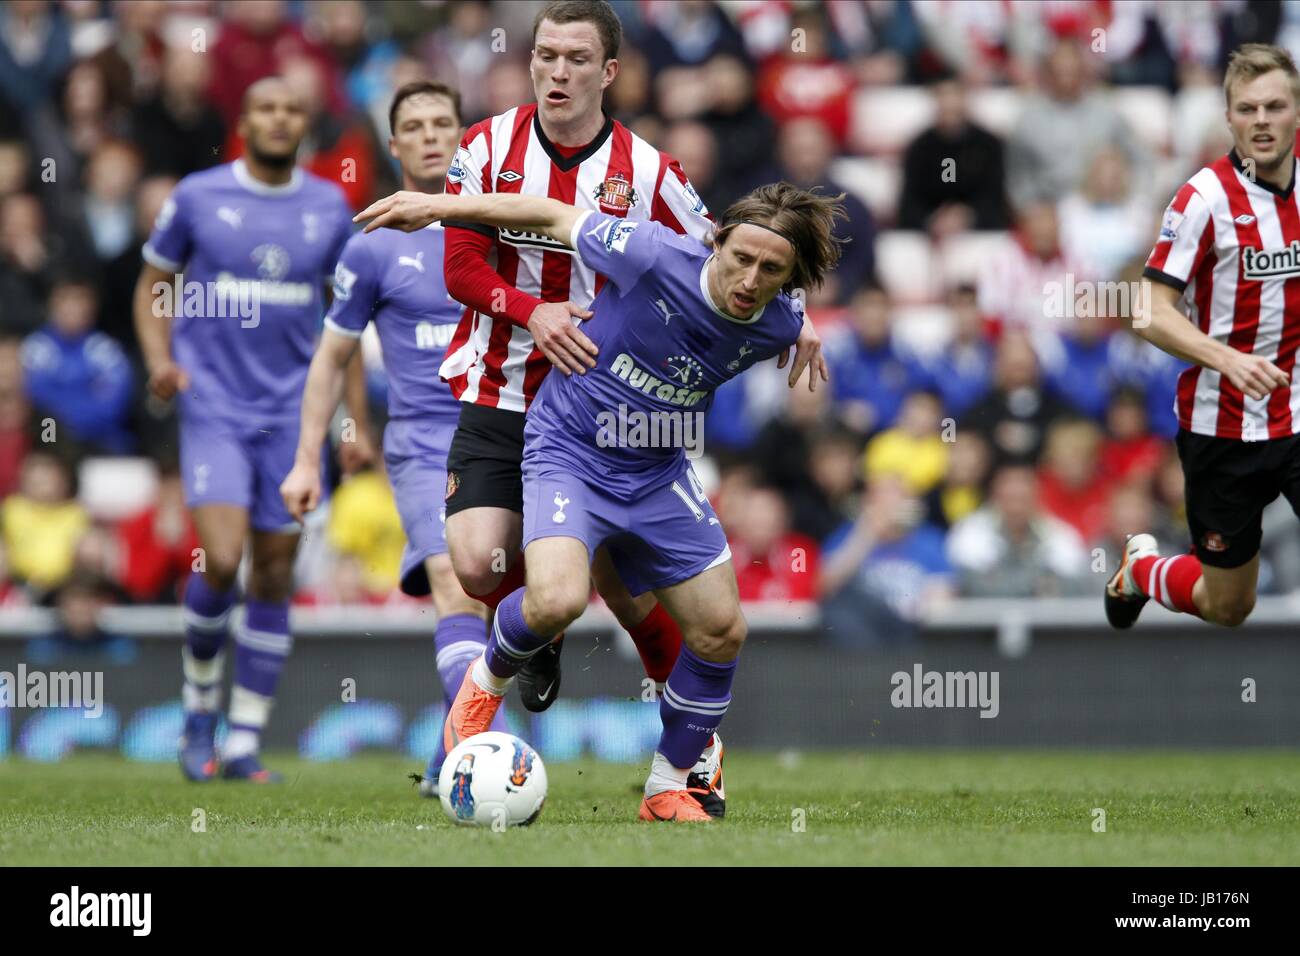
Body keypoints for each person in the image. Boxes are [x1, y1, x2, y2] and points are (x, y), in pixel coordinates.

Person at [434, 0, 823, 815]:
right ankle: (531, 642)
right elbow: (462, 266)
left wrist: (801, 314)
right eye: (545, 56)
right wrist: (528, 308)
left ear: (608, 72)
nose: (558, 72)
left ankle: (687, 764)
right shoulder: (485, 148)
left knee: (636, 597)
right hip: (511, 385)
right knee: (479, 564)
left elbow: (726, 254)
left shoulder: (652, 173)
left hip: (629, 416)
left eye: (577, 58)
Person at [355, 178, 841, 822]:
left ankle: (669, 786)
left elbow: (791, 303)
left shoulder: (779, 320)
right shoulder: (651, 253)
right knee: (556, 598)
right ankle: (483, 686)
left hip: (659, 468)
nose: (750, 278)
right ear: (714, 242)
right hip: (571, 451)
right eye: (740, 258)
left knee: (723, 631)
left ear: (789, 279)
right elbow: (548, 212)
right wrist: (435, 207)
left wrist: (803, 322)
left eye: (770, 270)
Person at [133, 76, 372, 783]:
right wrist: (159, 359)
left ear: (305, 123)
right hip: (213, 405)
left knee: (273, 570)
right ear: (244, 119)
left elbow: (347, 320)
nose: (278, 118)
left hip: (294, 417)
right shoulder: (199, 196)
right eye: (265, 107)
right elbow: (153, 282)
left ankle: (241, 740)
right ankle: (198, 706)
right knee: (222, 553)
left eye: (292, 109)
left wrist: (352, 420)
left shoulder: (329, 206)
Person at [279, 80, 510, 797]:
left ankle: (453, 750)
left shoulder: (506, 226)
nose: (433, 135)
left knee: (511, 606)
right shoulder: (374, 244)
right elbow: (331, 357)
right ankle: (482, 750)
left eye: (445, 122)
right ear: (395, 145)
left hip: (511, 435)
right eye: (416, 125)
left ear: (464, 134)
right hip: (424, 442)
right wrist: (304, 458)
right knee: (453, 584)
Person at [1106, 43, 1300, 631]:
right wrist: (1228, 360)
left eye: (1274, 106)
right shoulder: (1203, 199)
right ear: (1229, 118)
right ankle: (1143, 571)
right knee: (1228, 606)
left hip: (1297, 414)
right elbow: (1147, 311)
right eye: (1247, 109)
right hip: (1222, 425)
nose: (1261, 120)